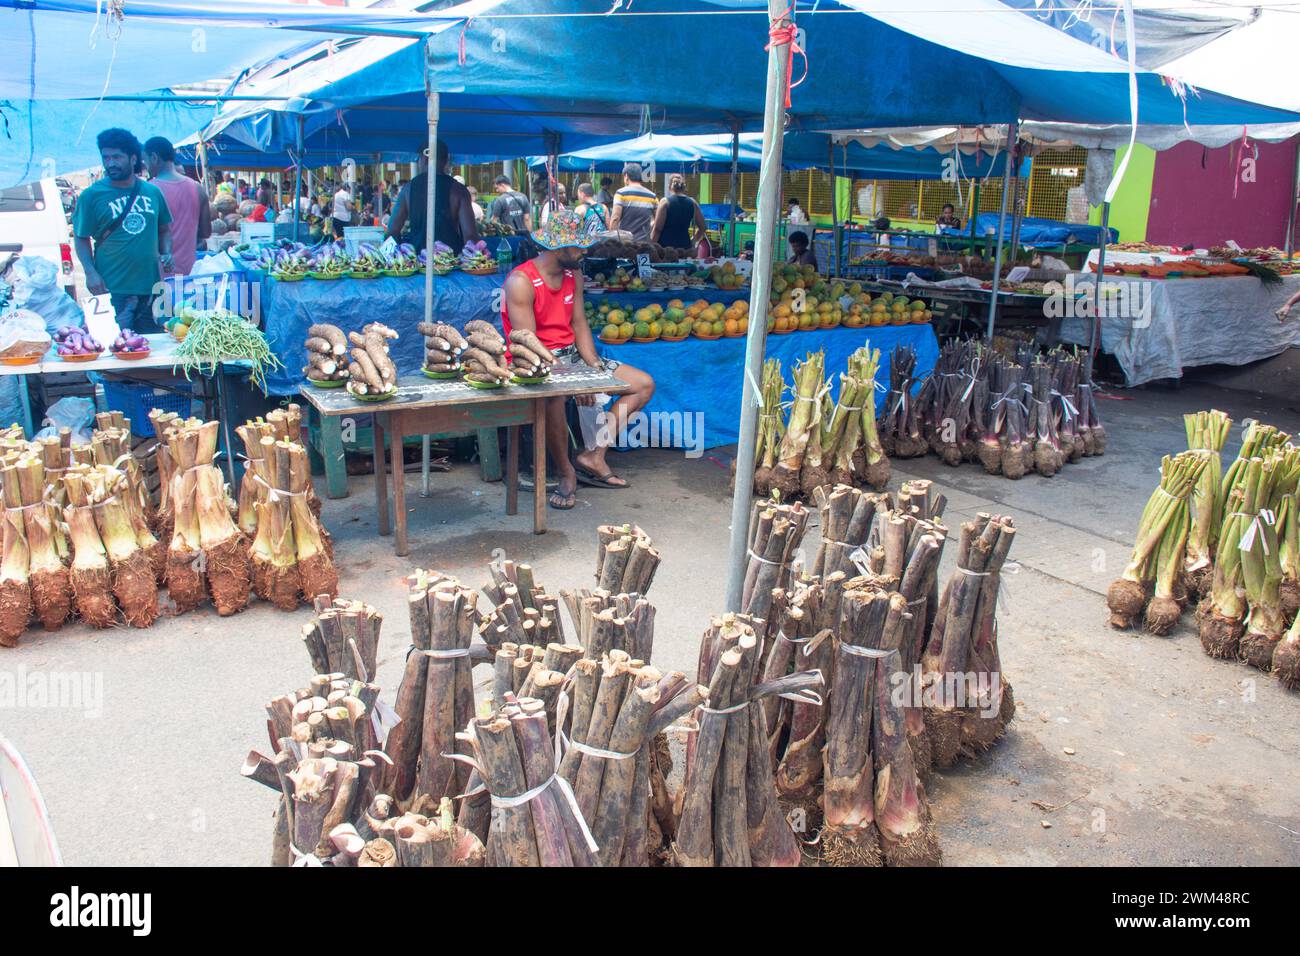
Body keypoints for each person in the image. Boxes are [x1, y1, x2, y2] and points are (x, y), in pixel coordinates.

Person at [502, 209, 655, 510]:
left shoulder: (575, 275)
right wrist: (574, 382)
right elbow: (528, 344)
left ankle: (594, 455)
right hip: (534, 361)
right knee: (555, 398)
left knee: (643, 384)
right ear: (559, 247)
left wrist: (595, 371)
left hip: (571, 357)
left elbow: (580, 324)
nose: (585, 251)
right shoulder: (521, 281)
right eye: (579, 246)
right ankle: (566, 472)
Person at [73, 128, 172, 333]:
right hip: (111, 288)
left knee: (154, 353)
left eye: (117, 157)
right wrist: (90, 273)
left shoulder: (152, 192)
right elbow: (81, 237)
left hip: (151, 288)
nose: (110, 163)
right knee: (115, 351)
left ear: (133, 158)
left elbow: (164, 229)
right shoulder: (91, 196)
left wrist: (167, 252)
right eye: (106, 157)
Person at [386, 141, 479, 253]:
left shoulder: (408, 189)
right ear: (446, 161)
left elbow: (392, 231)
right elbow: (470, 235)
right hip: (451, 262)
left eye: (418, 160)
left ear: (424, 159)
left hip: (418, 261)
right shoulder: (459, 190)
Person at [143, 136, 209, 277]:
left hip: (157, 275)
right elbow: (205, 233)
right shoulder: (197, 188)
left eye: (146, 161)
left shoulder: (148, 191)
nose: (146, 166)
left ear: (154, 158)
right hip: (190, 272)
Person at [651, 173, 707, 252]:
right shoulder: (692, 203)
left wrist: (652, 246)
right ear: (684, 187)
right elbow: (703, 227)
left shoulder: (665, 202)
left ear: (670, 186)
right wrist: (693, 240)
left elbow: (657, 229)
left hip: (665, 249)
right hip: (685, 247)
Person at [608, 163, 658, 242]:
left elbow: (615, 218)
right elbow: (658, 220)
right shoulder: (652, 196)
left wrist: (612, 240)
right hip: (644, 243)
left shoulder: (621, 194)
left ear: (626, 176)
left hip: (626, 244)